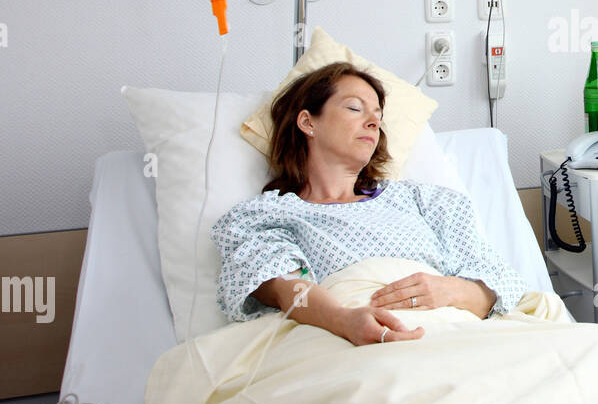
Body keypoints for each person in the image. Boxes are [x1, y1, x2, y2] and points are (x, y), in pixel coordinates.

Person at [212, 61, 527, 346]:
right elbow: (288, 291)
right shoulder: (270, 216)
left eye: (377, 116)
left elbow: (500, 282)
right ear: (308, 122)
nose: (373, 123)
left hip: (458, 335)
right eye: (354, 108)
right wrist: (344, 320)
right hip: (348, 343)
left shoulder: (425, 201)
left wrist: (451, 290)